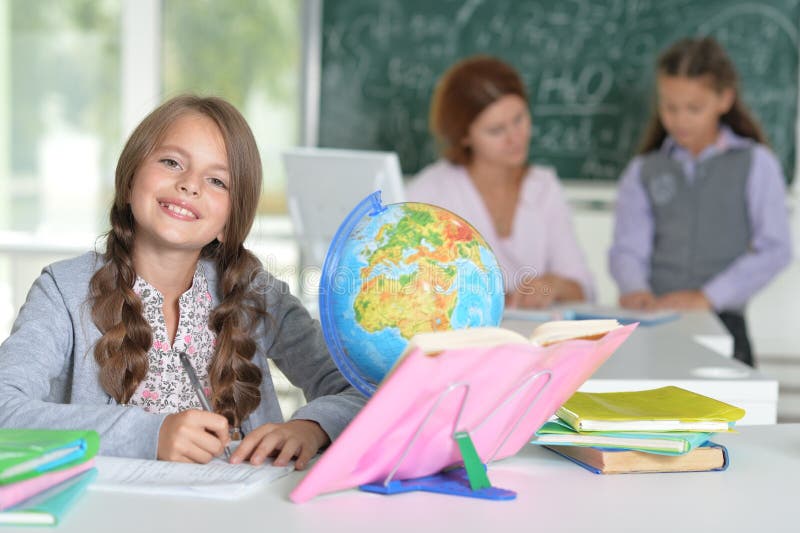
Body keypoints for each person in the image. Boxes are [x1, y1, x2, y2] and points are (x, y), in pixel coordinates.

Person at [0, 95, 364, 467]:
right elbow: (4, 411)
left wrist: (313, 425)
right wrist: (149, 435)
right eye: (171, 162)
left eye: (217, 181)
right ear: (129, 181)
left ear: (230, 222)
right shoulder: (63, 291)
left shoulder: (258, 295)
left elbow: (363, 389)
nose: (190, 185)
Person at [609, 37, 792, 366]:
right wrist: (634, 289)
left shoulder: (756, 163)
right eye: (669, 107)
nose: (680, 120)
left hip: (724, 326)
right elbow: (628, 247)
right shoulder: (644, 170)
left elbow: (775, 248)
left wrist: (708, 297)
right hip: (653, 323)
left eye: (694, 108)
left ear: (724, 99)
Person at [405, 55, 594, 309]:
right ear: (463, 136)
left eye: (519, 119)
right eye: (496, 130)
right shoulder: (431, 192)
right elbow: (404, 287)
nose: (515, 138)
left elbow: (583, 290)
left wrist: (550, 285)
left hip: (530, 343)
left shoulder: (543, 187)